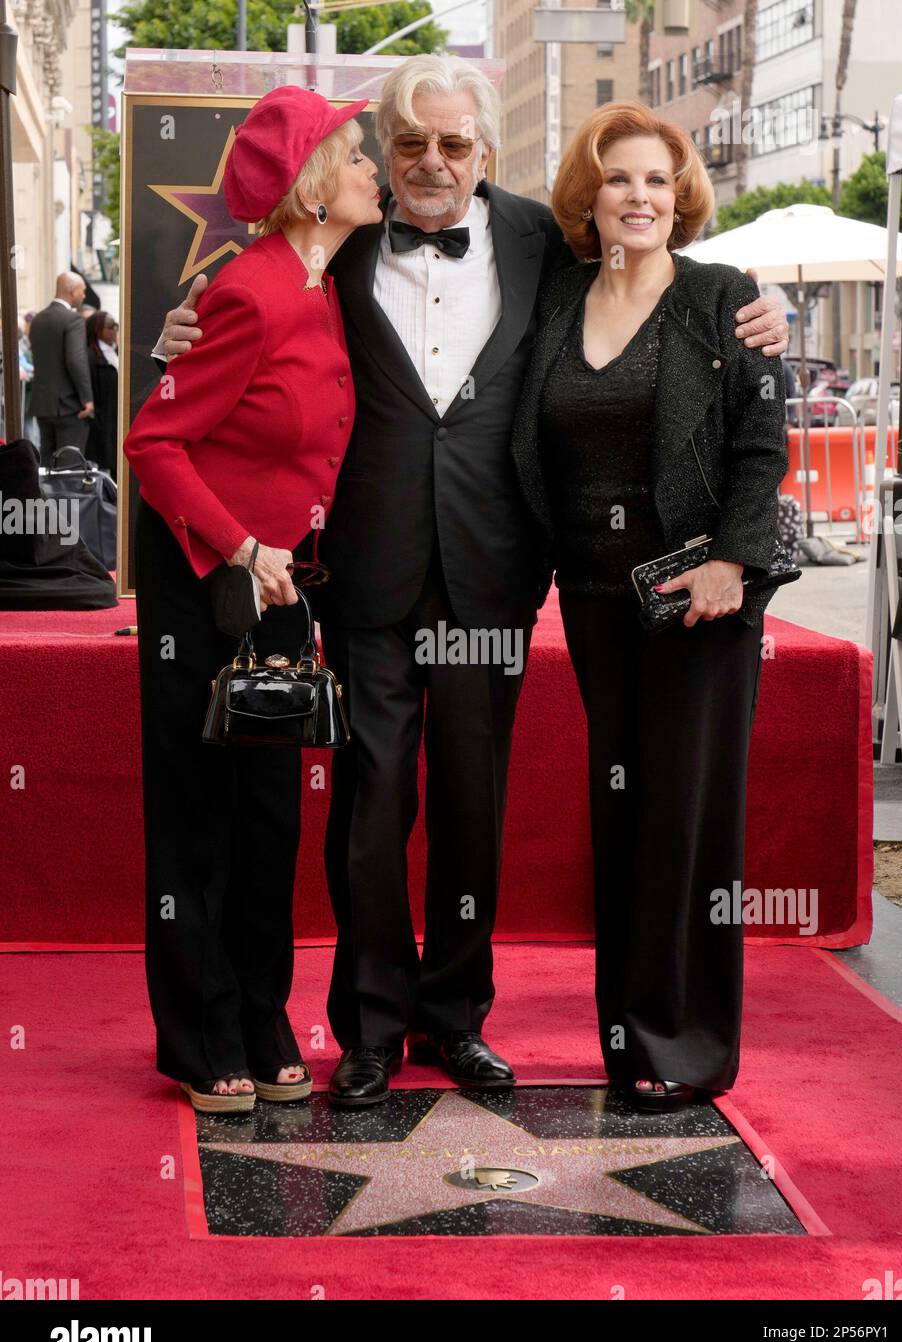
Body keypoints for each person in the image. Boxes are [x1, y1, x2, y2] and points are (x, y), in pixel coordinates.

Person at [158, 56, 790, 1110]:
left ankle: (456, 1020)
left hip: (495, 572)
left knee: (471, 808)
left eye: (455, 144)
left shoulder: (544, 237)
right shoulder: (343, 240)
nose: (432, 163)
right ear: (387, 154)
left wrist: (757, 307)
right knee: (368, 811)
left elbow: (655, 262)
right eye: (411, 143)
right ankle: (368, 1027)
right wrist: (178, 331)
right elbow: (246, 301)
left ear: (486, 153)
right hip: (364, 570)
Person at [512, 102, 790, 1112]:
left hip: (702, 600)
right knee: (622, 812)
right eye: (620, 179)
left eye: (657, 183)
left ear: (682, 201)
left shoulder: (724, 298)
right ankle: (630, 1038)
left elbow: (764, 445)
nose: (639, 197)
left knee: (688, 817)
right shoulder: (558, 298)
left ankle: (691, 1045)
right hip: (592, 598)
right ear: (590, 198)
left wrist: (733, 565)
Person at [124, 87, 380, 1112]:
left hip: (286, 586)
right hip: (208, 584)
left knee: (271, 814)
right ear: (315, 186)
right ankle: (200, 1032)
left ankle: (265, 1013)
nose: (375, 170)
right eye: (357, 155)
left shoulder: (326, 279)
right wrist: (239, 545)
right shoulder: (251, 290)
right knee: (201, 813)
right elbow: (154, 443)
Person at [27, 272, 95, 465]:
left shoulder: (38, 319)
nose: (84, 295)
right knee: (68, 469)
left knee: (47, 466)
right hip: (69, 406)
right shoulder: (73, 320)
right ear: (72, 291)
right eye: (82, 291)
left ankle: (46, 498)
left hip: (43, 405)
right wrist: (87, 399)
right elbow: (76, 360)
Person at [85, 311, 119, 478]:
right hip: (102, 419)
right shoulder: (91, 355)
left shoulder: (117, 352)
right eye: (110, 327)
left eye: (116, 326)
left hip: (117, 417)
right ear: (98, 330)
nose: (114, 330)